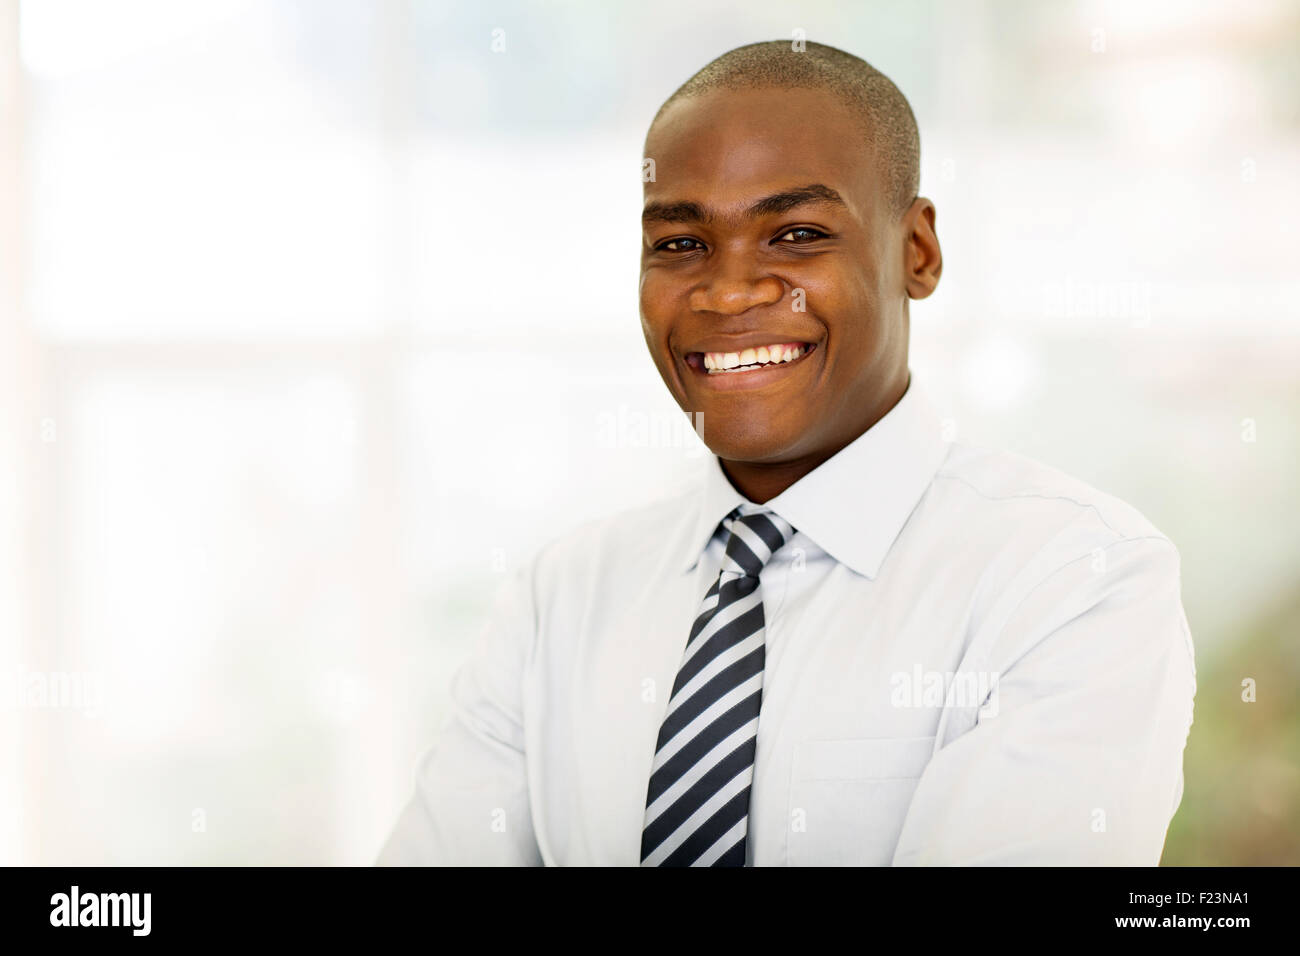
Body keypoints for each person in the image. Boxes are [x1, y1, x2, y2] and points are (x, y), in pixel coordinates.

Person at [377, 39, 1196, 866]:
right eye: (681, 245)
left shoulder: (1073, 579)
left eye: (797, 234)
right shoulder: (562, 597)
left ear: (917, 251)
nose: (729, 291)